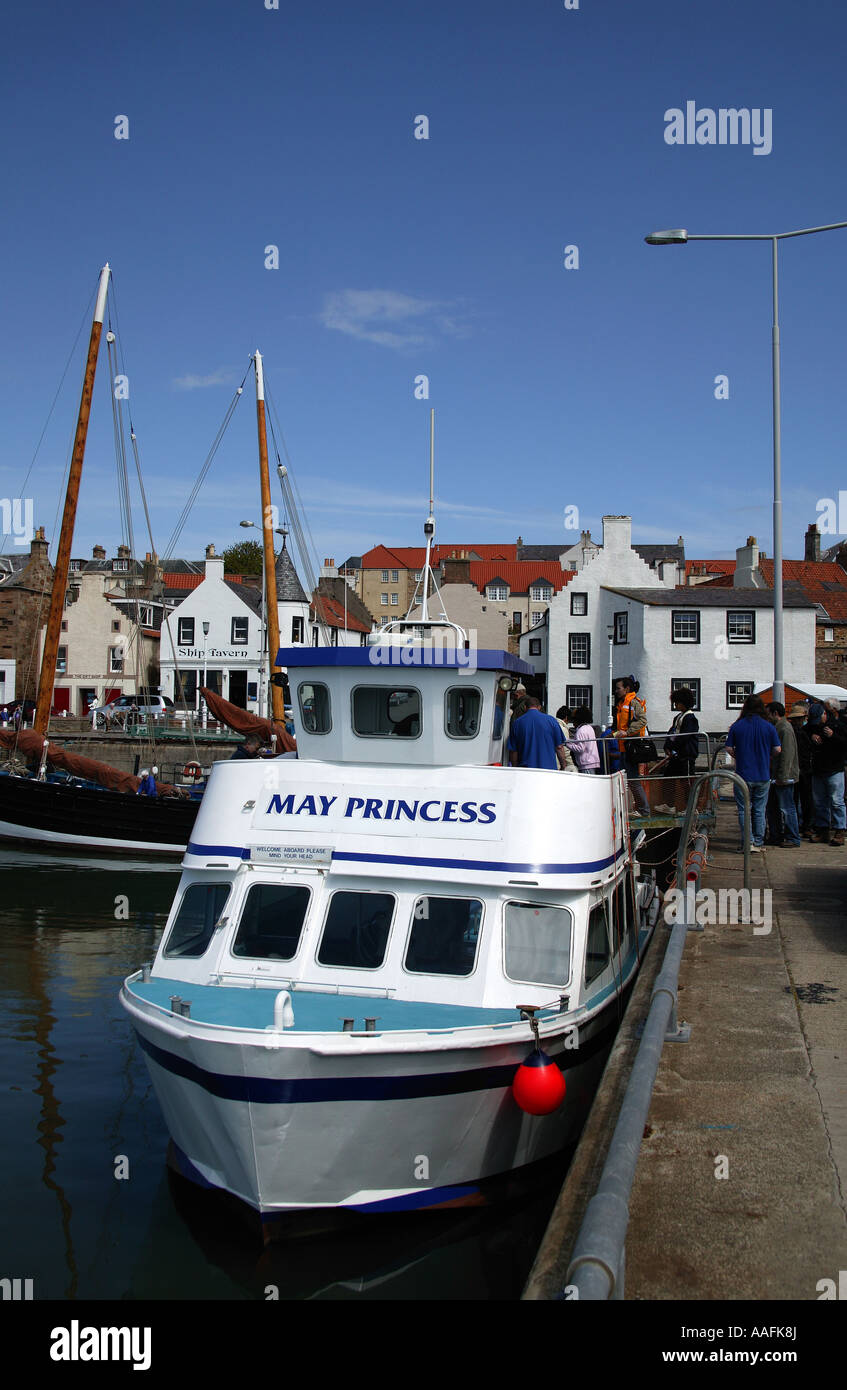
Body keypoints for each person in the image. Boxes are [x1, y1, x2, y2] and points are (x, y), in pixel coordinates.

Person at [724, 695, 781, 850]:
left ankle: (747, 842)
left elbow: (728, 748)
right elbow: (777, 749)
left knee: (744, 810)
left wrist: (739, 755)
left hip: (743, 774)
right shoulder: (769, 726)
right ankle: (758, 841)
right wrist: (767, 755)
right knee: (759, 810)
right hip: (763, 774)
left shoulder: (737, 726)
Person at [807, 702, 847, 845]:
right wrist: (811, 736)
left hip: (834, 769)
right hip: (819, 769)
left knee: (836, 802)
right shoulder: (812, 727)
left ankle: (839, 830)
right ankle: (823, 830)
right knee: (820, 803)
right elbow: (805, 733)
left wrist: (833, 735)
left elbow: (844, 743)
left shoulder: (838, 726)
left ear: (825, 714)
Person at [765, 702, 801, 848]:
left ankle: (793, 837)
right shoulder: (779, 727)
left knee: (787, 807)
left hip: (784, 776)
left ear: (775, 713)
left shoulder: (784, 728)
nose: (767, 717)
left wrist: (783, 776)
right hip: (776, 776)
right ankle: (776, 835)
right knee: (772, 807)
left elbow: (787, 754)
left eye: (768, 713)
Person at [613, 676, 650, 815]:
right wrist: (614, 734)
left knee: (633, 780)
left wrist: (627, 732)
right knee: (626, 780)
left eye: (618, 688)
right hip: (623, 748)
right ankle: (634, 808)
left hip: (630, 748)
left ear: (627, 688)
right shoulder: (622, 704)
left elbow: (642, 720)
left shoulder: (633, 703)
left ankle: (644, 810)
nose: (616, 691)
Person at [508, 697, 569, 771]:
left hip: (525, 770)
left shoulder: (517, 723)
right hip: (548, 769)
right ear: (539, 707)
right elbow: (559, 747)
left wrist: (515, 768)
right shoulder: (552, 721)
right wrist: (563, 766)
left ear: (525, 707)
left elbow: (513, 751)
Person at [565, 706, 600, 773]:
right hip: (592, 761)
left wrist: (566, 743)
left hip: (586, 763)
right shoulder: (589, 728)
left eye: (574, 720)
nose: (573, 723)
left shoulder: (581, 730)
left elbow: (580, 748)